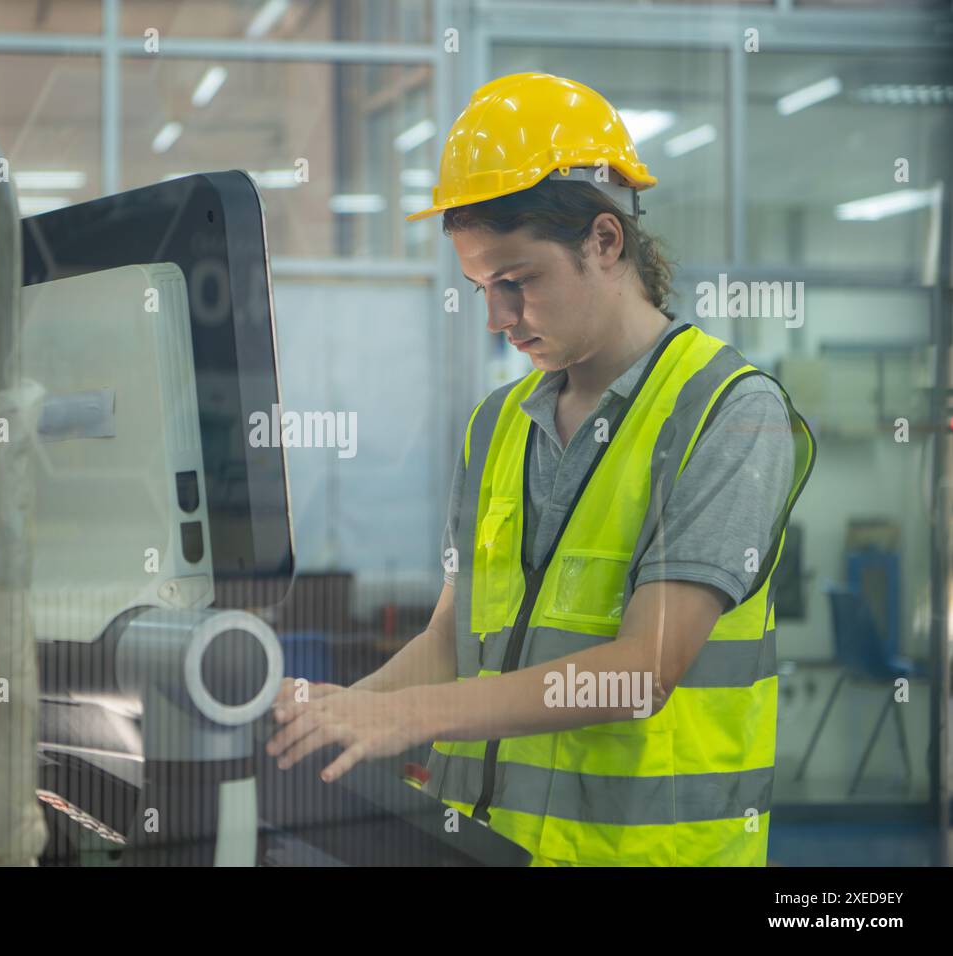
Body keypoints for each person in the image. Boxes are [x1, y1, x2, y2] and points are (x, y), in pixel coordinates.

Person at [266, 73, 816, 866]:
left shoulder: (728, 413)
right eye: (480, 288)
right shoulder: (496, 426)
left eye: (516, 282)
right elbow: (452, 640)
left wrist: (411, 716)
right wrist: (344, 711)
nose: (497, 319)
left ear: (604, 241)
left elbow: (639, 675)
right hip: (480, 849)